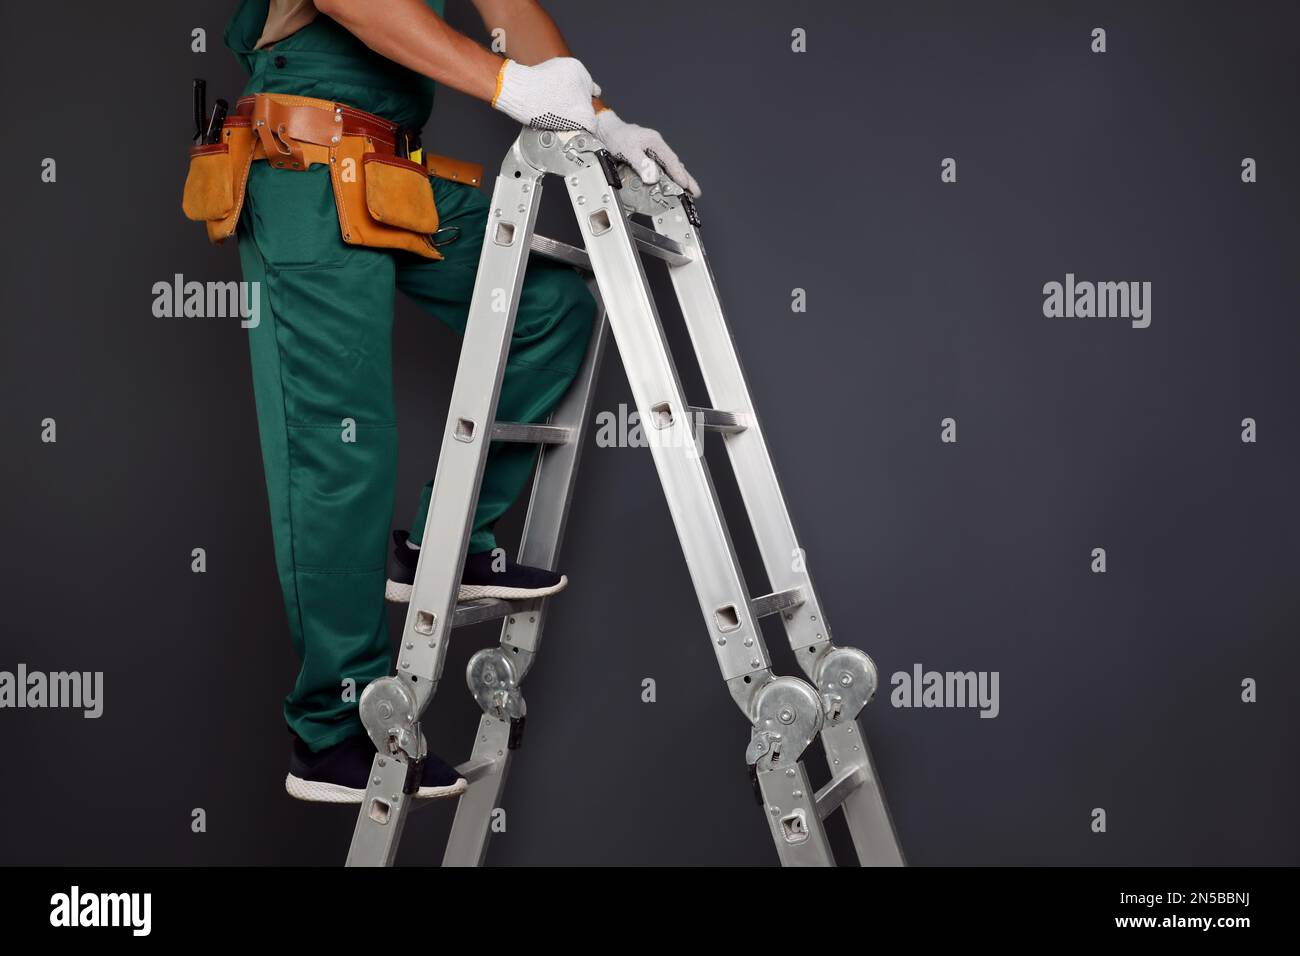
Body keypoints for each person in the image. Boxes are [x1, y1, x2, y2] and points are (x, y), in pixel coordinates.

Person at [221, 0, 699, 803]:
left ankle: (450, 539)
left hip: (387, 169)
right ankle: (333, 728)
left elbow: (510, 9)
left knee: (551, 307)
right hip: (302, 160)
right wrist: (508, 85)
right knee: (340, 454)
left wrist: (602, 121)